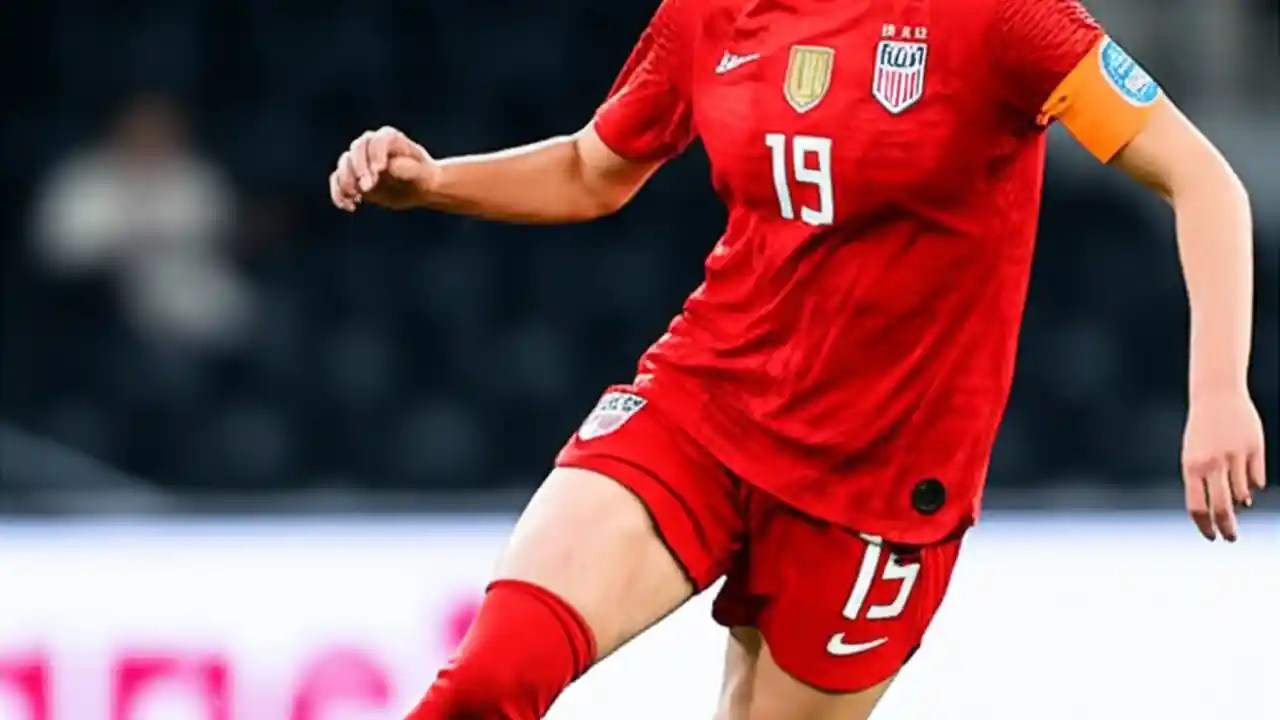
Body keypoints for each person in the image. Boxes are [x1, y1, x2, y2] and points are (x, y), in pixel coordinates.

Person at [328, 1, 1267, 717]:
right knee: (489, 678)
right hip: (703, 404)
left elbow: (1202, 181)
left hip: (879, 480)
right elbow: (591, 169)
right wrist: (435, 181)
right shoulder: (711, 11)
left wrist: (1219, 390)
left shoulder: (998, 17)